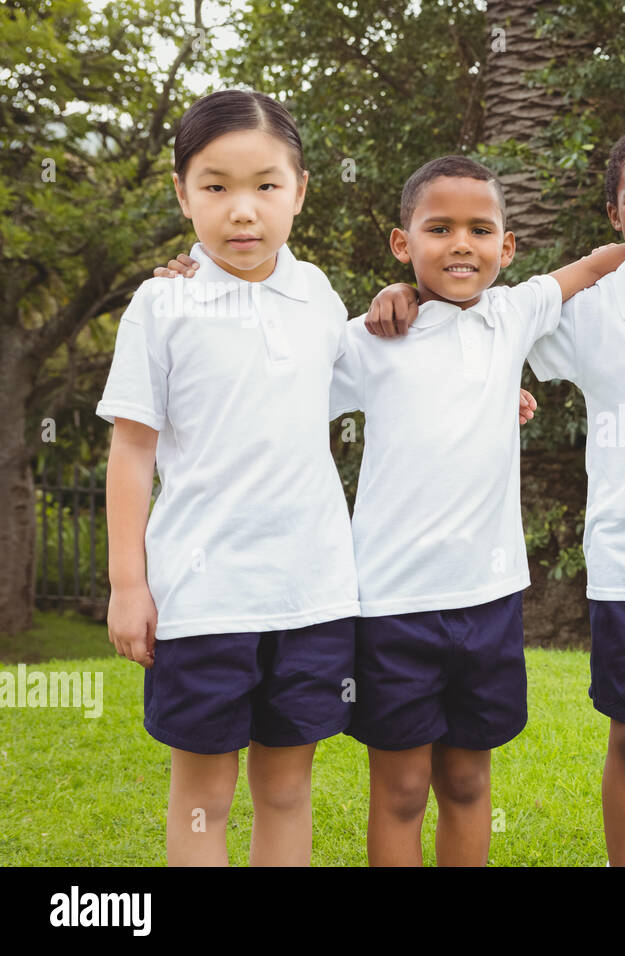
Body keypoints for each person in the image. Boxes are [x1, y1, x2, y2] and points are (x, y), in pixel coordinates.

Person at [335, 154, 625, 865]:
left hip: (490, 602)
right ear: (403, 244)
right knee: (403, 789)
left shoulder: (515, 314)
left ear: (507, 247)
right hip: (389, 603)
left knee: (468, 780)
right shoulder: (372, 337)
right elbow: (282, 384)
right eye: (439, 229)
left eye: (480, 229)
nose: (461, 244)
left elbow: (605, 258)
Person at [99, 89, 358, 866]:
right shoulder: (162, 303)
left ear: (300, 190)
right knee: (205, 799)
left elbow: (384, 383)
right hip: (202, 600)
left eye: (265, 186)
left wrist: (488, 391)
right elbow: (133, 452)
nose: (242, 210)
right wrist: (128, 584)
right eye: (215, 186)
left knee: (285, 788)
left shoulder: (317, 295)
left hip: (311, 595)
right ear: (183, 194)